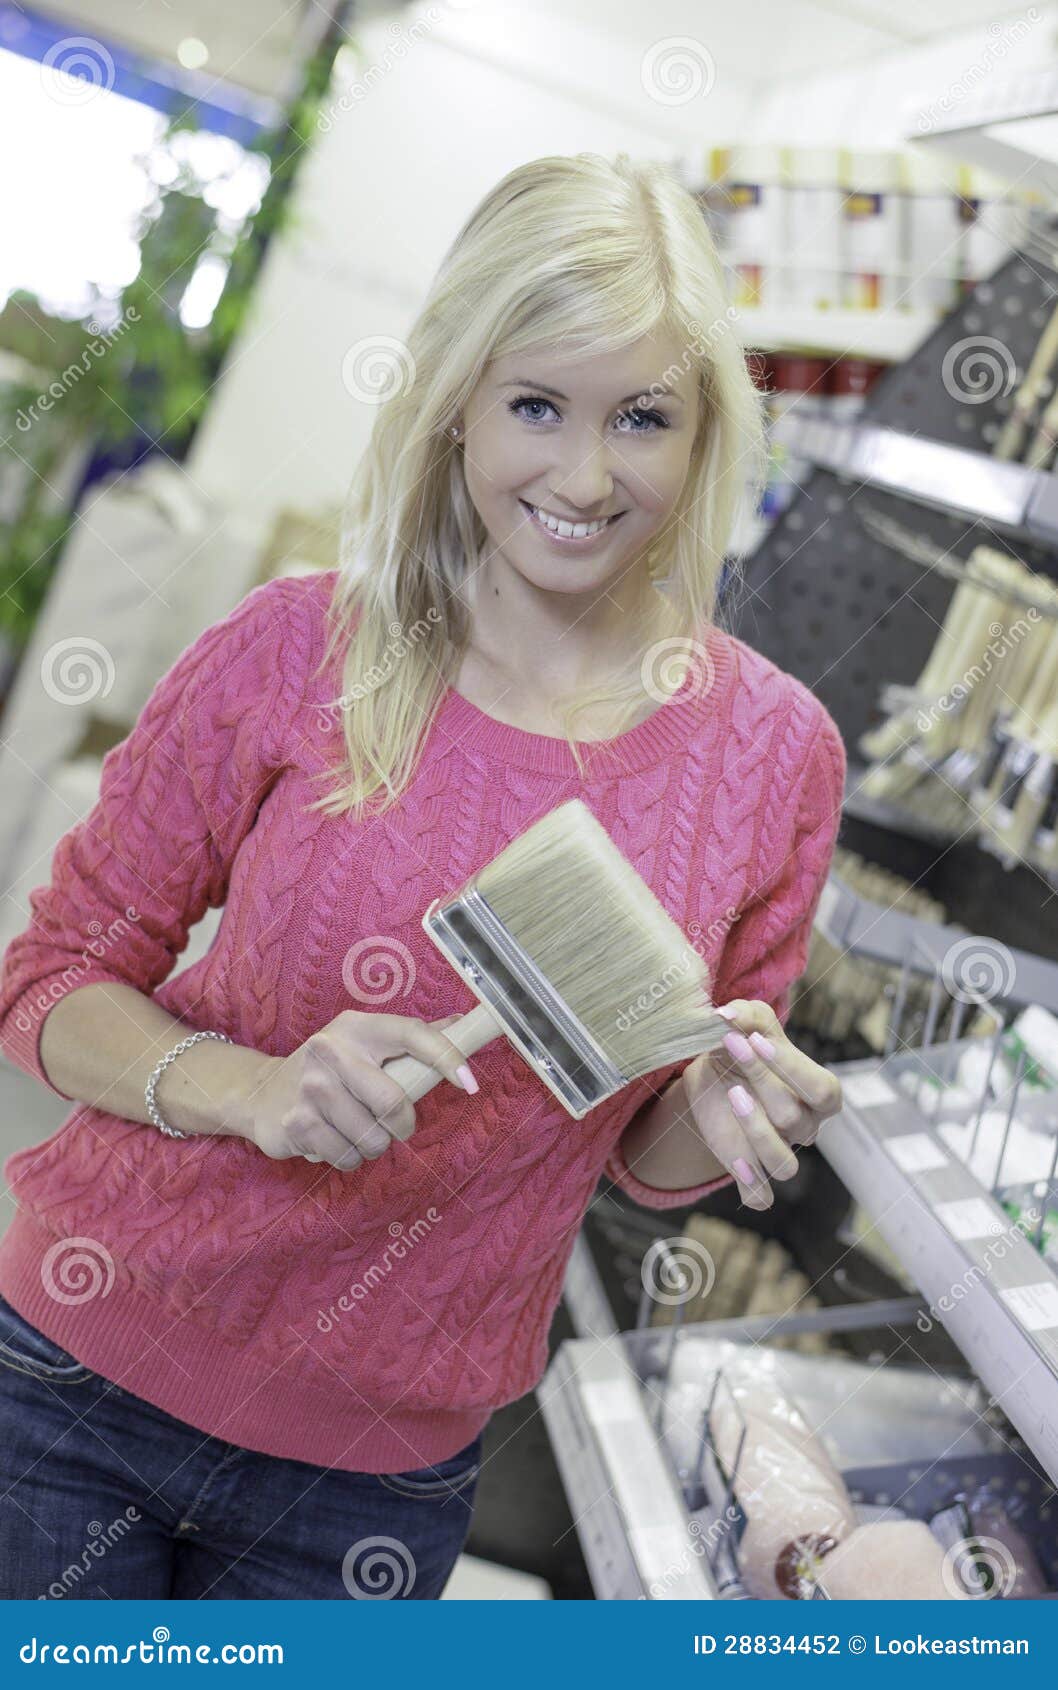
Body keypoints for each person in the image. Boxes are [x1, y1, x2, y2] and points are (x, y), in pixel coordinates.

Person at [0, 151, 845, 1601]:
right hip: (73, 1385)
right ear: (456, 398)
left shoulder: (775, 754)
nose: (584, 477)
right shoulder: (294, 648)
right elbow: (49, 980)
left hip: (377, 1482)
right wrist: (250, 1087)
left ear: (702, 428)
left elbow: (643, 1160)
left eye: (639, 417)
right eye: (536, 406)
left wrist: (715, 1112)